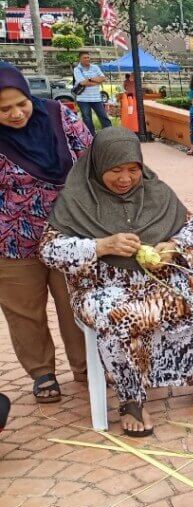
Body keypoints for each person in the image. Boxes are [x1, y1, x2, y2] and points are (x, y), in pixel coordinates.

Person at [42, 127, 193, 437]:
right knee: (122, 317)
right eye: (116, 170)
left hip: (163, 276)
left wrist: (173, 246)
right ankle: (131, 399)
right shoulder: (75, 200)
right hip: (103, 285)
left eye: (133, 169)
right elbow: (49, 250)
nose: (126, 178)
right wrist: (100, 246)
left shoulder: (157, 192)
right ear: (98, 165)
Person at [0, 63, 88, 404]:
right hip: (12, 241)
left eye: (20, 103)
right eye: (4, 109)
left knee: (75, 304)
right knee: (24, 311)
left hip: (69, 234)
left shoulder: (59, 115)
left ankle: (86, 367)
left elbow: (91, 157)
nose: (15, 114)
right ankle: (42, 373)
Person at [72, 51, 112, 135]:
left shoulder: (95, 67)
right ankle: (91, 136)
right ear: (80, 59)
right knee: (87, 119)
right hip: (83, 99)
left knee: (104, 117)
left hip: (96, 98)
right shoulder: (77, 69)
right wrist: (96, 81)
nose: (87, 59)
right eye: (85, 58)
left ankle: (109, 134)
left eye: (88, 57)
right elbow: (82, 83)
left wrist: (89, 79)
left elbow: (103, 78)